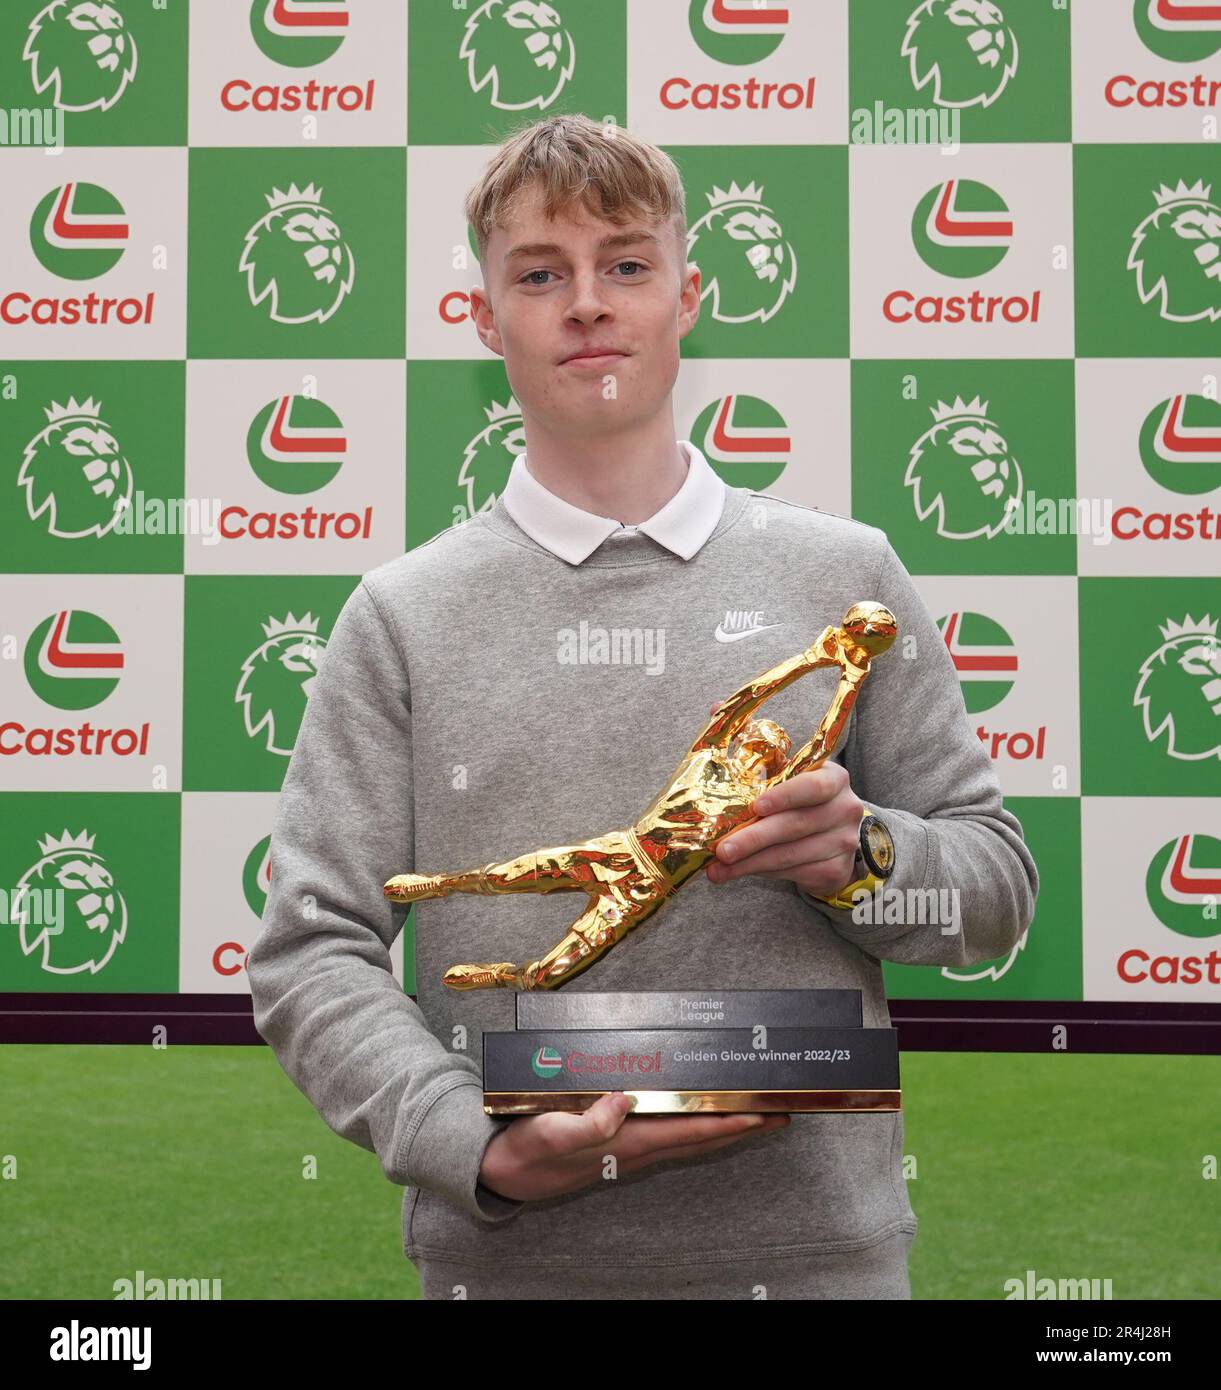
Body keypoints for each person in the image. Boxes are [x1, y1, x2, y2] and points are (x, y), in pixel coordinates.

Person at [247, 113, 1039, 1302]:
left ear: (687, 296)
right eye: (539, 273)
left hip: (822, 1261)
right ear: (483, 318)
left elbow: (992, 895)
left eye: (626, 263)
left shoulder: (847, 577)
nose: (587, 303)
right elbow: (311, 948)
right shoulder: (401, 615)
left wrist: (865, 855)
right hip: (514, 1268)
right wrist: (478, 1148)